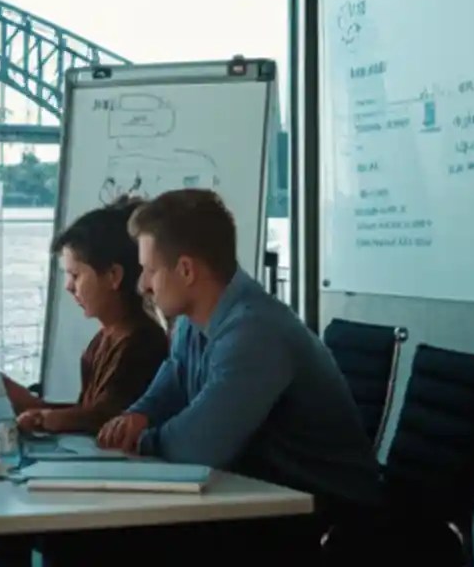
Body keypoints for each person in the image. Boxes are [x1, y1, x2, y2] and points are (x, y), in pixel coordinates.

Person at [96, 189, 381, 512]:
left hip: (326, 513)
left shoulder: (256, 332)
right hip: (263, 496)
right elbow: (173, 383)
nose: (142, 285)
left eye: (150, 270)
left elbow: (197, 447)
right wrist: (137, 416)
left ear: (186, 270)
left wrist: (139, 442)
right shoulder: (193, 322)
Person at [8, 197, 168, 435]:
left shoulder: (142, 344)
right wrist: (33, 406)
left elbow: (103, 418)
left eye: (76, 275)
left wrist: (41, 414)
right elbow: (87, 411)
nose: (69, 287)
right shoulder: (102, 341)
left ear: (114, 275)